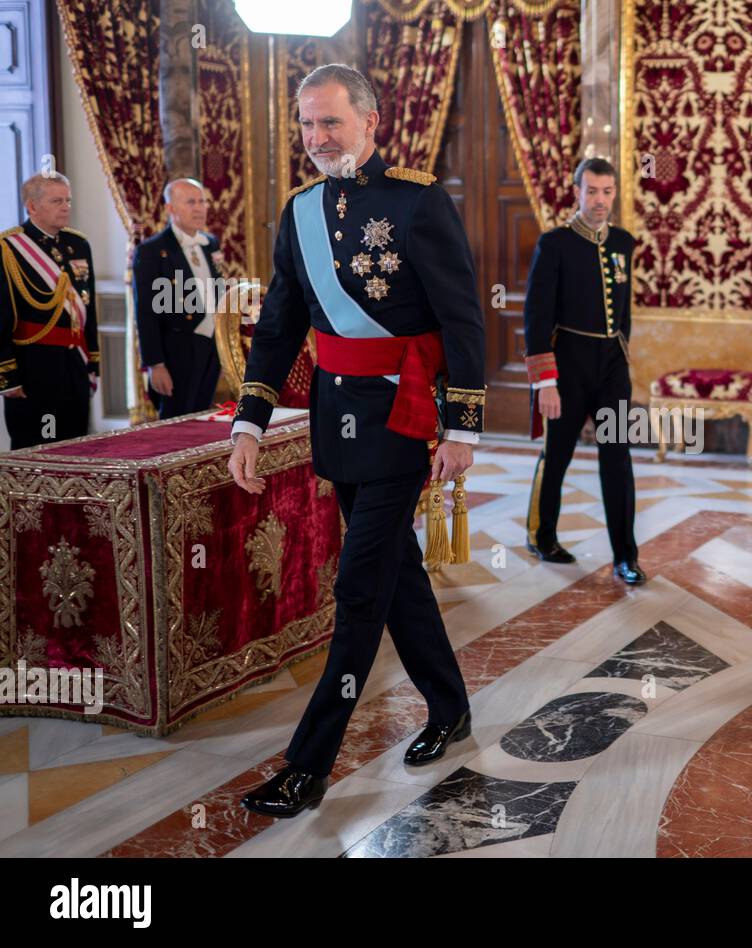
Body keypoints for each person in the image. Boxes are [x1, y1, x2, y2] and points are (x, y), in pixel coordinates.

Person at [227, 63, 486, 817]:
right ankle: (450, 705)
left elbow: (464, 319)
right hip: (336, 424)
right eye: (307, 124)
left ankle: (308, 767)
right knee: (398, 577)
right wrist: (249, 421)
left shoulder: (418, 202)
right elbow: (278, 326)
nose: (317, 138)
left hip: (403, 421)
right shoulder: (299, 212)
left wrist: (462, 426)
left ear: (371, 122)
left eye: (331, 122)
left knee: (359, 588)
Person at [522, 157, 645, 585]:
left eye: (607, 192)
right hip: (567, 365)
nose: (600, 200)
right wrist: (546, 382)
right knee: (557, 455)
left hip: (611, 367)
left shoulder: (624, 243)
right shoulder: (554, 244)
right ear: (577, 191)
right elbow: (535, 318)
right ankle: (543, 535)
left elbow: (623, 312)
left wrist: (622, 356)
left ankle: (625, 557)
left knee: (618, 458)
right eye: (592, 191)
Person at [0, 172, 100, 448]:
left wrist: (92, 363)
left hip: (74, 366)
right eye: (57, 201)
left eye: (67, 199)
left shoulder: (78, 244)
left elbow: (88, 311)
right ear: (32, 207)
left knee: (76, 444)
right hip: (34, 369)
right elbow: (1, 318)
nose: (66, 206)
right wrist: (8, 377)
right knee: (39, 451)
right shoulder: (8, 249)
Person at [132, 178, 225, 417]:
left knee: (202, 415)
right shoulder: (152, 251)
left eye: (202, 201)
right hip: (176, 349)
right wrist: (156, 364)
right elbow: (145, 313)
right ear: (170, 208)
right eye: (191, 202)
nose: (199, 208)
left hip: (210, 343)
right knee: (176, 421)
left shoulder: (210, 243)